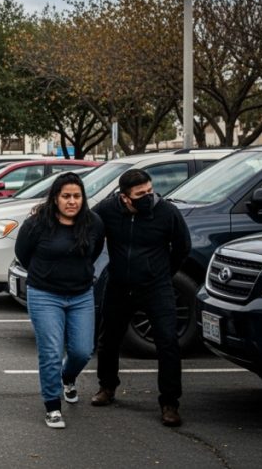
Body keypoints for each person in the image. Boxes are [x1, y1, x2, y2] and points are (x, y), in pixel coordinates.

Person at [91, 168, 190, 427]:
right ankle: (107, 387)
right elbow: (86, 224)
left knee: (168, 342)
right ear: (125, 197)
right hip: (120, 285)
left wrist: (163, 273)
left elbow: (183, 247)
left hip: (156, 286)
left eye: (150, 190)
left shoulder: (167, 212)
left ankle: (169, 402)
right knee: (108, 339)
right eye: (140, 194)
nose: (148, 196)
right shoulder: (108, 209)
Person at [14, 172, 104, 429]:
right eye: (66, 196)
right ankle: (52, 405)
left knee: (81, 351)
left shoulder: (94, 223)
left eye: (77, 196)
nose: (72, 201)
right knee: (51, 352)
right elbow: (23, 254)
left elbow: (94, 252)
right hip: (44, 295)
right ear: (55, 198)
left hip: (81, 295)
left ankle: (68, 378)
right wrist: (47, 274)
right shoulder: (36, 225)